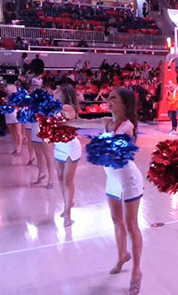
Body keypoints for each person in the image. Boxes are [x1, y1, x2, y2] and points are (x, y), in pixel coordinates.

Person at [68, 88, 145, 294]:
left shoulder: (126, 125)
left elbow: (115, 144)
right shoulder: (107, 121)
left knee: (131, 225)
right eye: (109, 97)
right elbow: (82, 123)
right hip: (112, 179)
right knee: (116, 220)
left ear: (124, 104)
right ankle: (122, 256)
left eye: (113, 98)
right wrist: (62, 123)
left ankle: (136, 271)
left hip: (128, 179)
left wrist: (93, 142)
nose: (108, 101)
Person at [53, 84, 82, 227]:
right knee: (59, 177)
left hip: (70, 146)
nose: (54, 92)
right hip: (58, 145)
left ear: (64, 93)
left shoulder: (68, 108)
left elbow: (55, 109)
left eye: (57, 90)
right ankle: (67, 203)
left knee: (67, 180)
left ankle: (68, 214)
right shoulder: (55, 105)